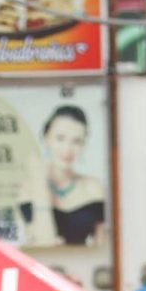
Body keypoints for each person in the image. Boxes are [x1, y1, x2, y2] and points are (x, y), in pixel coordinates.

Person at [38, 105, 104, 247]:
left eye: (77, 141)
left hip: (82, 259)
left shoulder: (93, 187)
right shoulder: (30, 185)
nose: (67, 149)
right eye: (60, 138)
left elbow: (102, 243)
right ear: (46, 138)